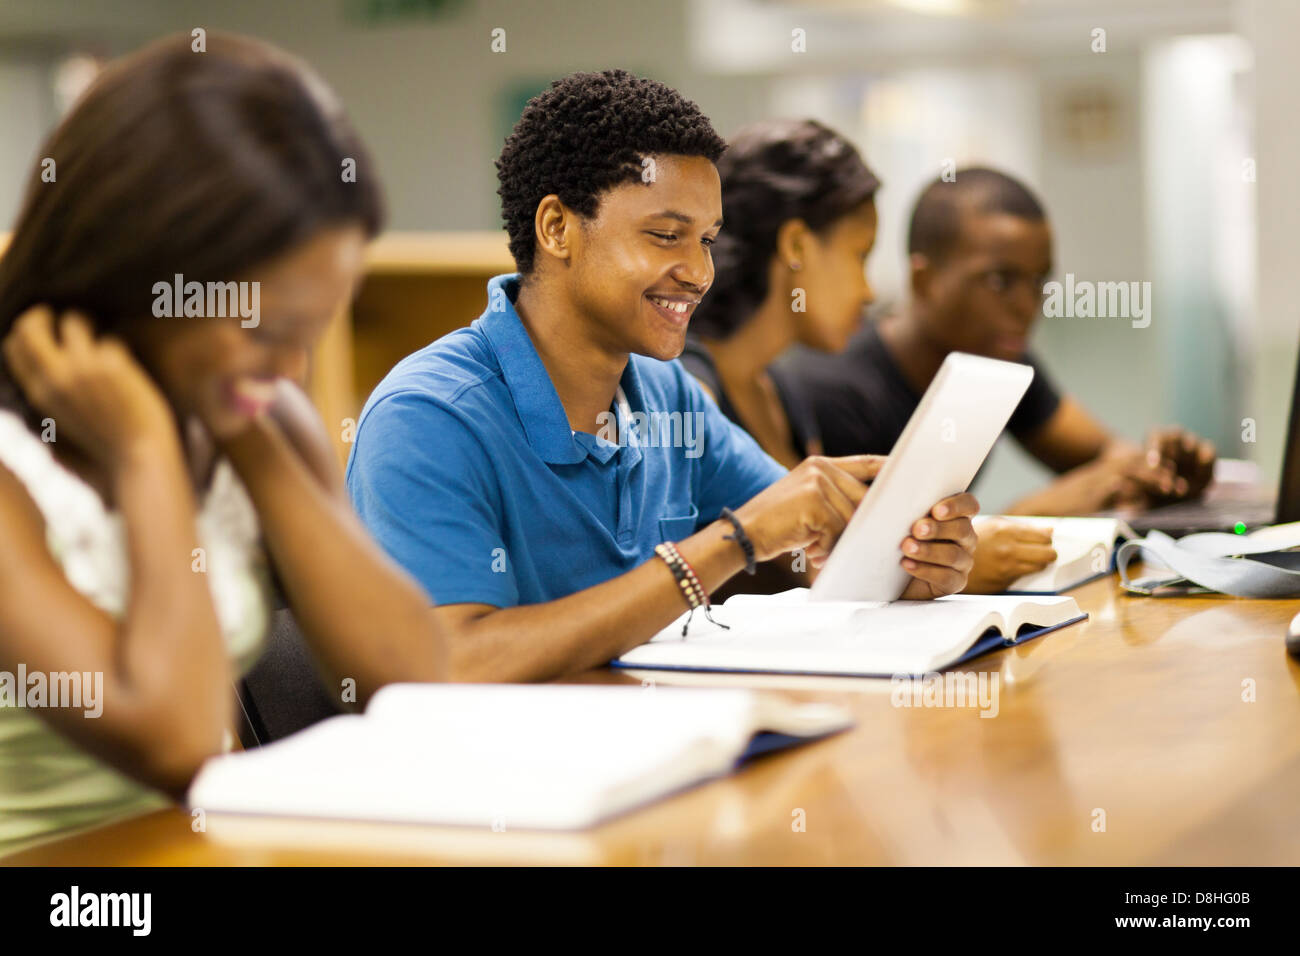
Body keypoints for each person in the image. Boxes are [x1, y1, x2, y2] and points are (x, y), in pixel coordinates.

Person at [346, 71, 979, 684]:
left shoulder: (665, 396)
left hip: (649, 757)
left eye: (707, 239)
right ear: (557, 228)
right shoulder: (428, 417)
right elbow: (457, 663)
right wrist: (731, 542)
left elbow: (807, 544)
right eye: (666, 235)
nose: (700, 271)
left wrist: (907, 564)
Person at [0, 33, 450, 856]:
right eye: (263, 330)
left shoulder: (254, 415)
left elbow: (408, 677)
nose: (290, 368)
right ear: (138, 274)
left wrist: (248, 430)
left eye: (310, 330)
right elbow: (180, 744)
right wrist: (145, 454)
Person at [777, 167, 1216, 576]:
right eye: (1000, 281)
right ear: (924, 280)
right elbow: (857, 569)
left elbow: (1110, 461)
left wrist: (1164, 472)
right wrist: (1036, 510)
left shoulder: (1001, 362)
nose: (1027, 307)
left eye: (1039, 282)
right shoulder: (835, 389)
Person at [684, 125, 1056, 593]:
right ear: (797, 246)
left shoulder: (783, 392)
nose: (869, 290)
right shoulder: (687, 389)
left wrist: (932, 563)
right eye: (859, 255)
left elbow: (835, 568)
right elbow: (816, 572)